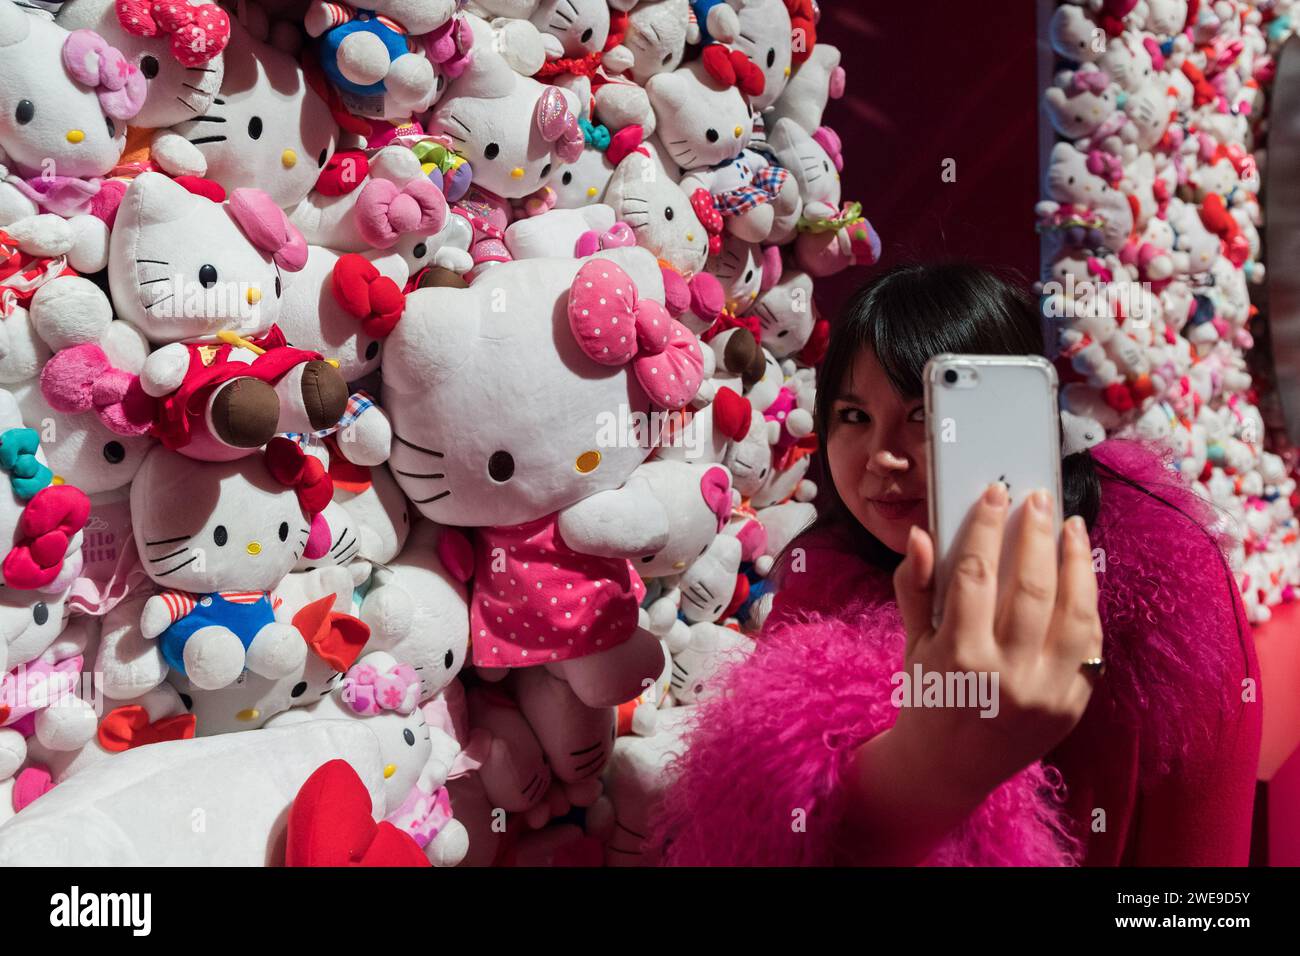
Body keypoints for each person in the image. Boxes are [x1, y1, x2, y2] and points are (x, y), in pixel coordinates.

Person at [648, 262, 1262, 866]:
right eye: (854, 416)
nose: (882, 458)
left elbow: (1204, 847)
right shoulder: (822, 579)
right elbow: (775, 829)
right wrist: (927, 767)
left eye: (924, 415)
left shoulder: (1156, 584)